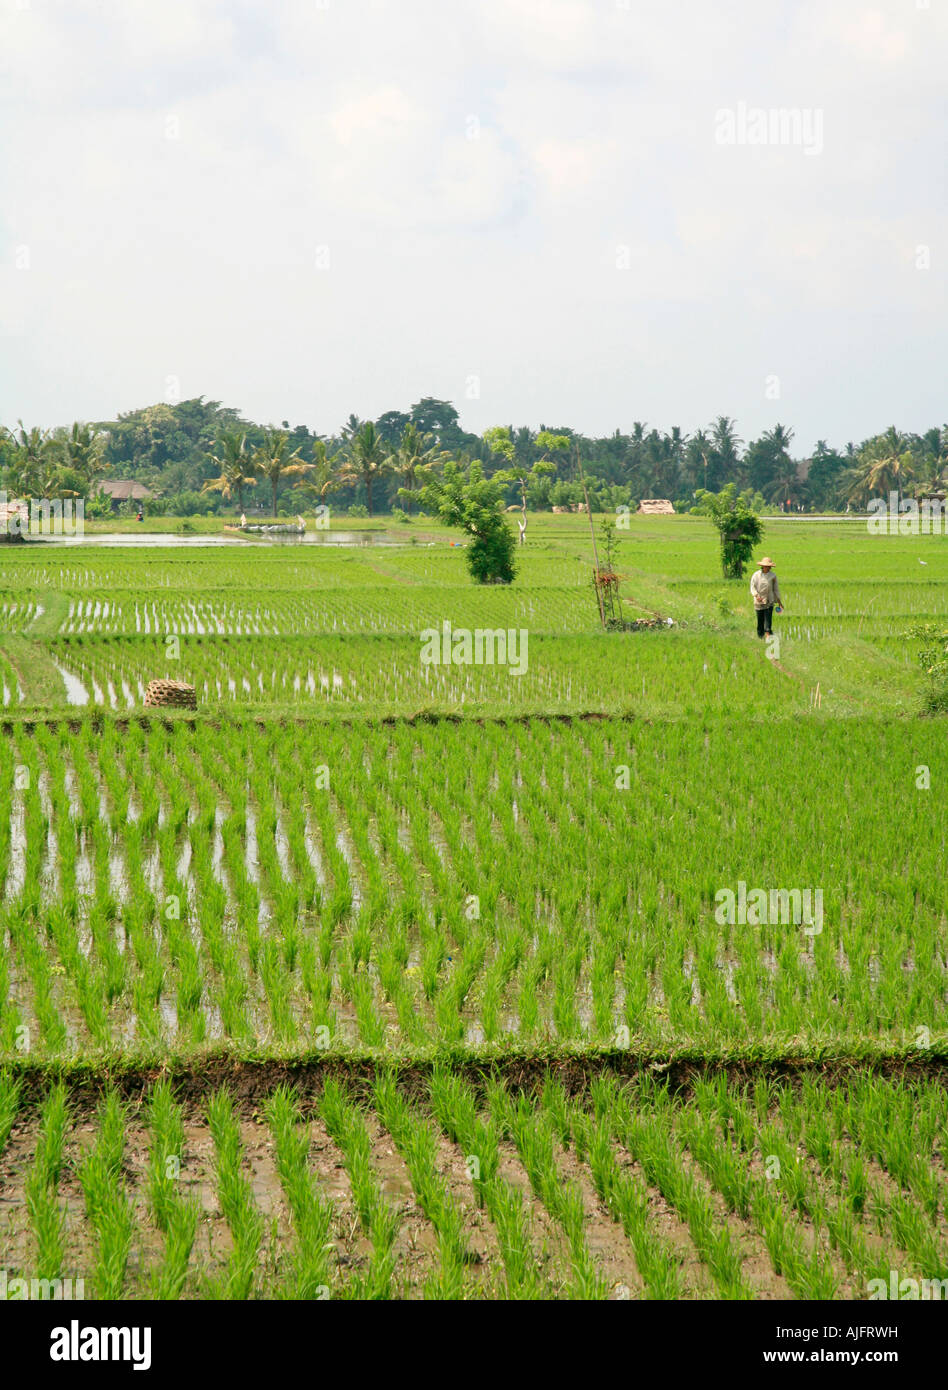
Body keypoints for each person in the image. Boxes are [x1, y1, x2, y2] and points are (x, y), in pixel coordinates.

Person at [750, 555, 783, 639]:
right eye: (766, 566)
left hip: (769, 601)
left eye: (769, 567)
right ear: (762, 566)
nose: (767, 568)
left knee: (768, 619)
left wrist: (779, 602)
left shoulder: (773, 576)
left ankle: (768, 634)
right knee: (760, 620)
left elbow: (776, 590)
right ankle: (760, 636)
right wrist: (756, 595)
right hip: (759, 601)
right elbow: (752, 587)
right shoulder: (756, 575)